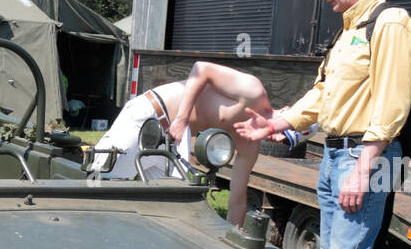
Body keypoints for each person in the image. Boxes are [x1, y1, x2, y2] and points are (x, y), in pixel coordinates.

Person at [235, 0, 411, 249]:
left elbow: (393, 102)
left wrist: (363, 169)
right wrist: (275, 124)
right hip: (336, 156)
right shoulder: (349, 31)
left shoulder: (390, 22)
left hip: (362, 157)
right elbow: (323, 95)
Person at [89, 61, 283, 227]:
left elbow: (237, 199)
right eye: (284, 130)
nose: (277, 138)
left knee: (174, 216)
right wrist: (182, 118)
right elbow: (202, 68)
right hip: (152, 118)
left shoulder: (250, 143)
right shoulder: (253, 91)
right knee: (99, 190)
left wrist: (232, 243)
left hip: (173, 144)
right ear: (287, 111)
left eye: (286, 141)